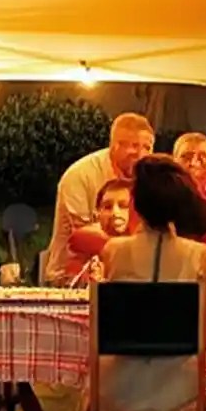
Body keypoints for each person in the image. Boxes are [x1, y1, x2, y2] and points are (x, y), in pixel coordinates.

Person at [98, 154, 206, 411]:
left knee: (138, 368)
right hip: (182, 392)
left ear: (135, 202)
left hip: (117, 390)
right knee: (174, 376)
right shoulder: (202, 257)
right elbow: (205, 338)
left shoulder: (112, 252)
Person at [45, 113, 154, 285]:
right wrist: (139, 252)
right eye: (133, 146)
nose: (140, 154)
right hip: (71, 279)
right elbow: (83, 239)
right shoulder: (80, 176)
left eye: (147, 147)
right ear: (114, 145)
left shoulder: (151, 175)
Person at [63, 179, 133, 285]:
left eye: (123, 206)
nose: (115, 213)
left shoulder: (145, 245)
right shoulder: (84, 242)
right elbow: (71, 285)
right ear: (97, 214)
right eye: (107, 207)